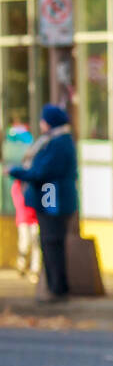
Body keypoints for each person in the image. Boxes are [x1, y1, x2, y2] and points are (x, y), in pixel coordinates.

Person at [8, 104, 78, 302]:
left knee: (51, 242)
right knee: (50, 242)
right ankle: (55, 286)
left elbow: (42, 171)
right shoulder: (57, 141)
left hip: (52, 198)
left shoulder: (57, 143)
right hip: (52, 197)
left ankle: (57, 288)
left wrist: (16, 172)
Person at [6, 116, 39, 283]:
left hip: (34, 217)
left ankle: (34, 269)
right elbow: (17, 198)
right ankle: (22, 264)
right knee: (25, 242)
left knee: (35, 243)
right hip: (24, 217)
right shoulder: (20, 182)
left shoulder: (36, 180)